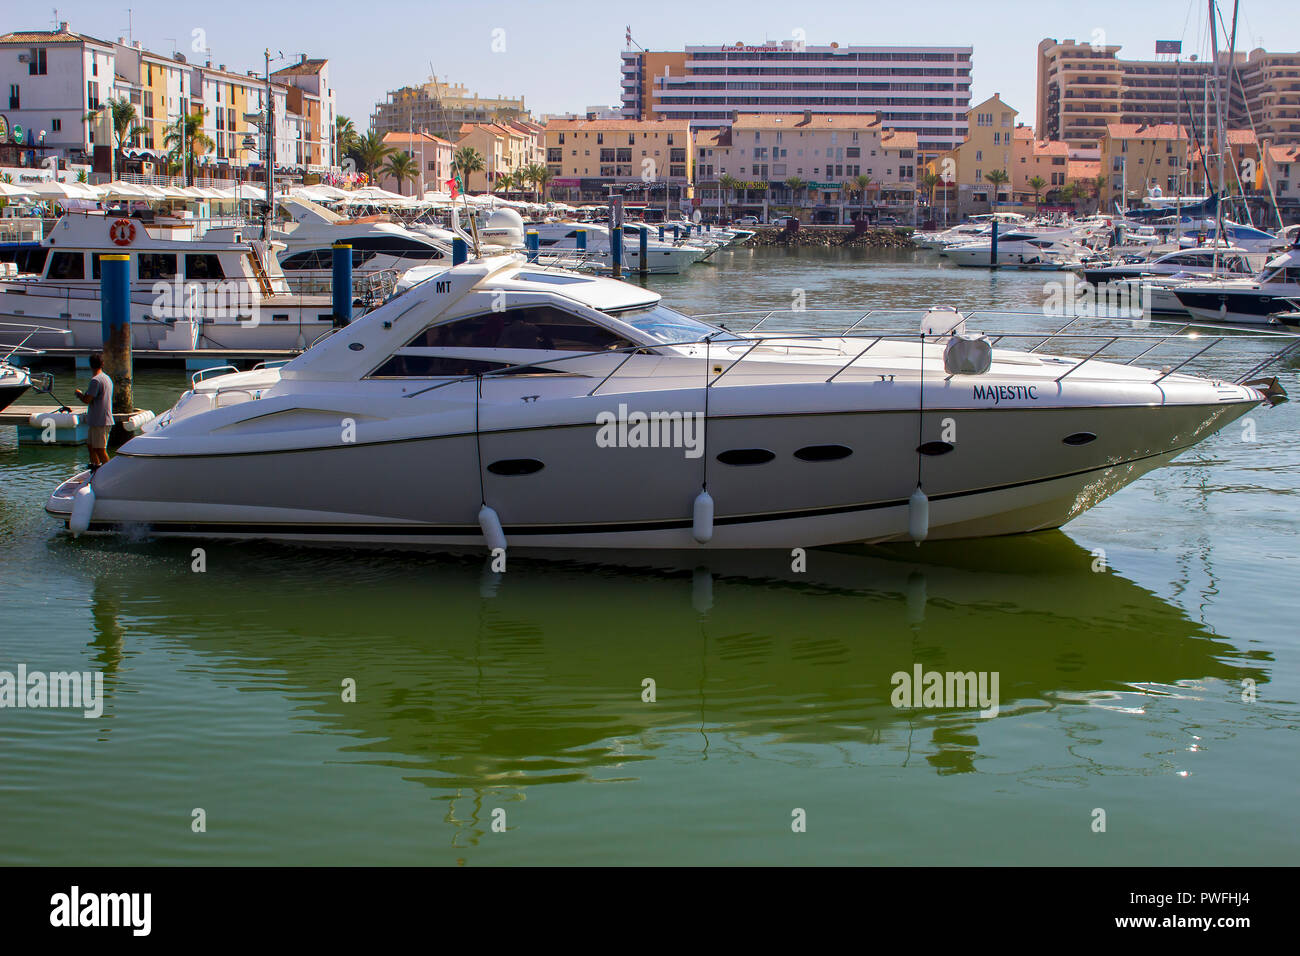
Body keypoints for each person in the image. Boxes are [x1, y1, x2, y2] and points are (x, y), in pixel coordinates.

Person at [75, 353, 113, 471]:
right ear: (102, 364)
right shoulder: (106, 378)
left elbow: (87, 399)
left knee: (100, 449)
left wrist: (79, 394)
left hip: (100, 421)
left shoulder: (95, 381)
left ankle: (110, 472)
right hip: (98, 420)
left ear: (90, 365)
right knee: (91, 446)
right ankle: (96, 468)